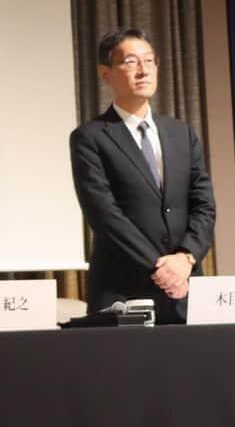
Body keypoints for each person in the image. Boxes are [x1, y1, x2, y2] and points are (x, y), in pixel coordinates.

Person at [69, 28, 216, 324]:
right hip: (123, 288)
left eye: (149, 61)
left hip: (185, 286)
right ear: (106, 74)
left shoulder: (181, 133)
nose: (143, 70)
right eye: (130, 62)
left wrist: (186, 257)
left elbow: (204, 204)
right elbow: (104, 215)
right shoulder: (90, 137)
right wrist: (161, 269)